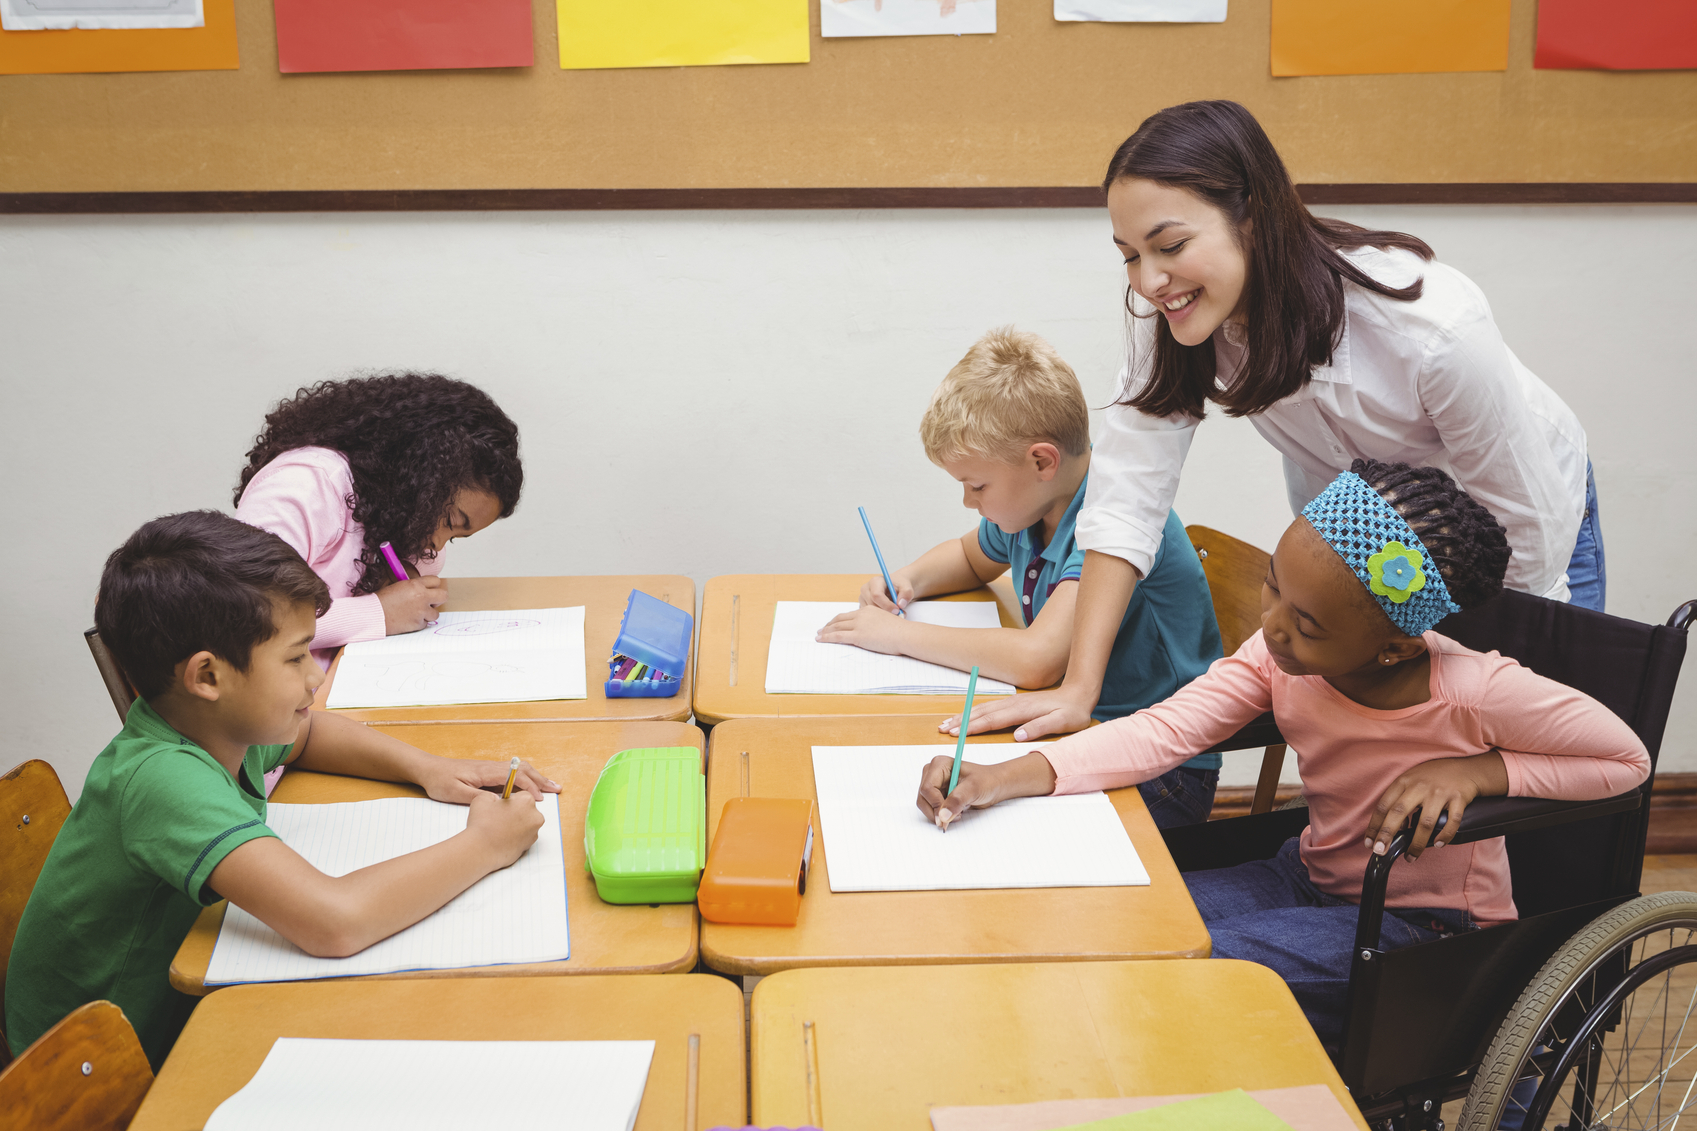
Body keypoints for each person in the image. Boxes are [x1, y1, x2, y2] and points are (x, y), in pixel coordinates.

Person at [916, 461, 1647, 1050]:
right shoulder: (1274, 655)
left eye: (1305, 622)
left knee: (1190, 964)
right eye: (1273, 588)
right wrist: (998, 778)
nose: (1271, 628)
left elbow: (1625, 760)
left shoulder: (1474, 690)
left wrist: (1478, 770)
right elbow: (1163, 730)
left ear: (1392, 644)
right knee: (1120, 923)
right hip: (1304, 873)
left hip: (1422, 926)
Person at [956, 100, 1601, 743]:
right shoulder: (1176, 315)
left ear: (1255, 216)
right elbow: (1126, 500)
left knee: (1515, 745)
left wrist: (1492, 703)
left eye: (1171, 245)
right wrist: (1078, 691)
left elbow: (1528, 542)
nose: (1150, 281)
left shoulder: (1432, 328)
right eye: (1128, 254)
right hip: (1366, 534)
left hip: (1514, 523)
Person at [5, 512, 557, 1068]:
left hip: (164, 1012)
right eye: (295, 658)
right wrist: (486, 845)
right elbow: (334, 922)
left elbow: (306, 734)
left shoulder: (216, 724)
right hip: (88, 1073)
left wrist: (428, 768)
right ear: (208, 677)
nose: (315, 677)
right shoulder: (161, 779)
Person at [818, 327, 1224, 827]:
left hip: (1164, 769)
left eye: (977, 485)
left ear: (1041, 461)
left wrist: (898, 635)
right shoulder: (1034, 508)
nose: (969, 502)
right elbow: (969, 557)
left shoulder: (1113, 519)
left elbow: (1037, 662)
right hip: (1077, 739)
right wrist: (909, 580)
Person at [234, 372, 524, 672]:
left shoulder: (386, 505)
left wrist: (408, 576)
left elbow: (427, 564)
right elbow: (248, 617)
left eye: (452, 538)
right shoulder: (305, 486)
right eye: (449, 521)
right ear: (418, 473)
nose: (436, 545)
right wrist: (379, 613)